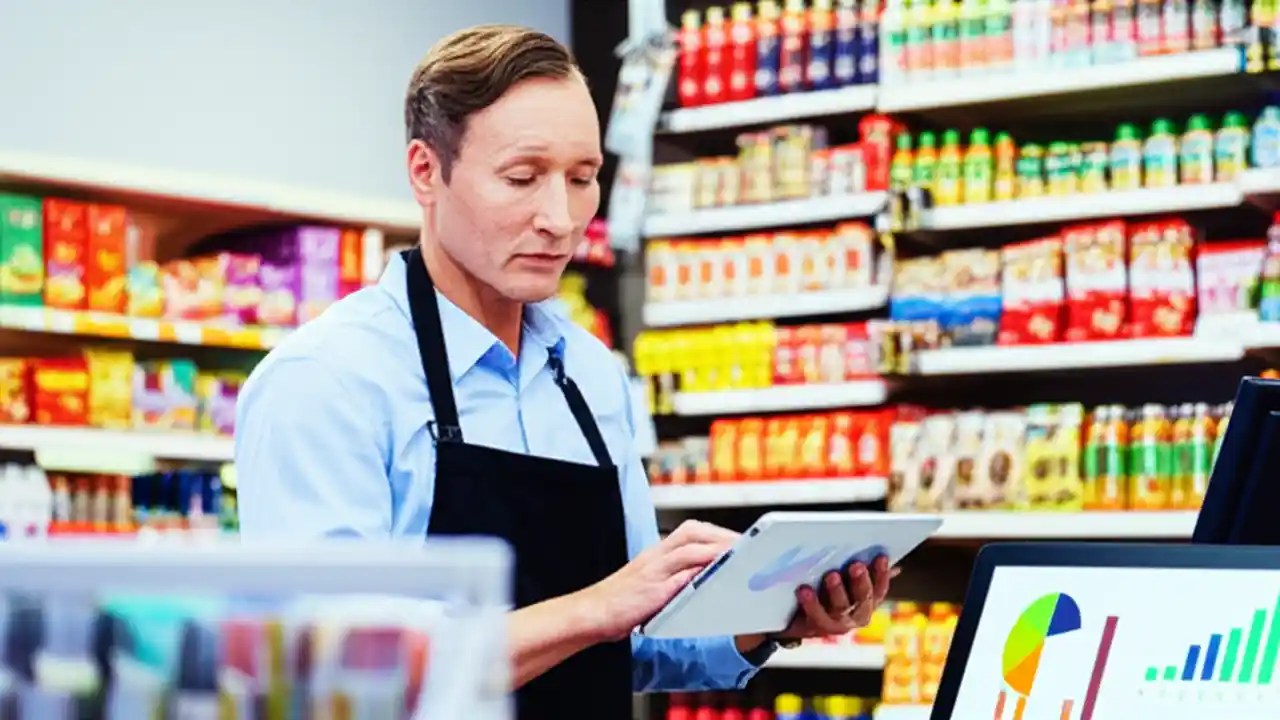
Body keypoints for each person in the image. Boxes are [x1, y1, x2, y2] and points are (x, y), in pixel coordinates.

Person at [234, 24, 896, 719]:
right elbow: (335, 667)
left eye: (582, 179)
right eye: (522, 178)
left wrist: (772, 612)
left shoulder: (589, 375)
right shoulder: (325, 382)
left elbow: (638, 639)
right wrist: (594, 609)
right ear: (426, 172)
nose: (560, 218)